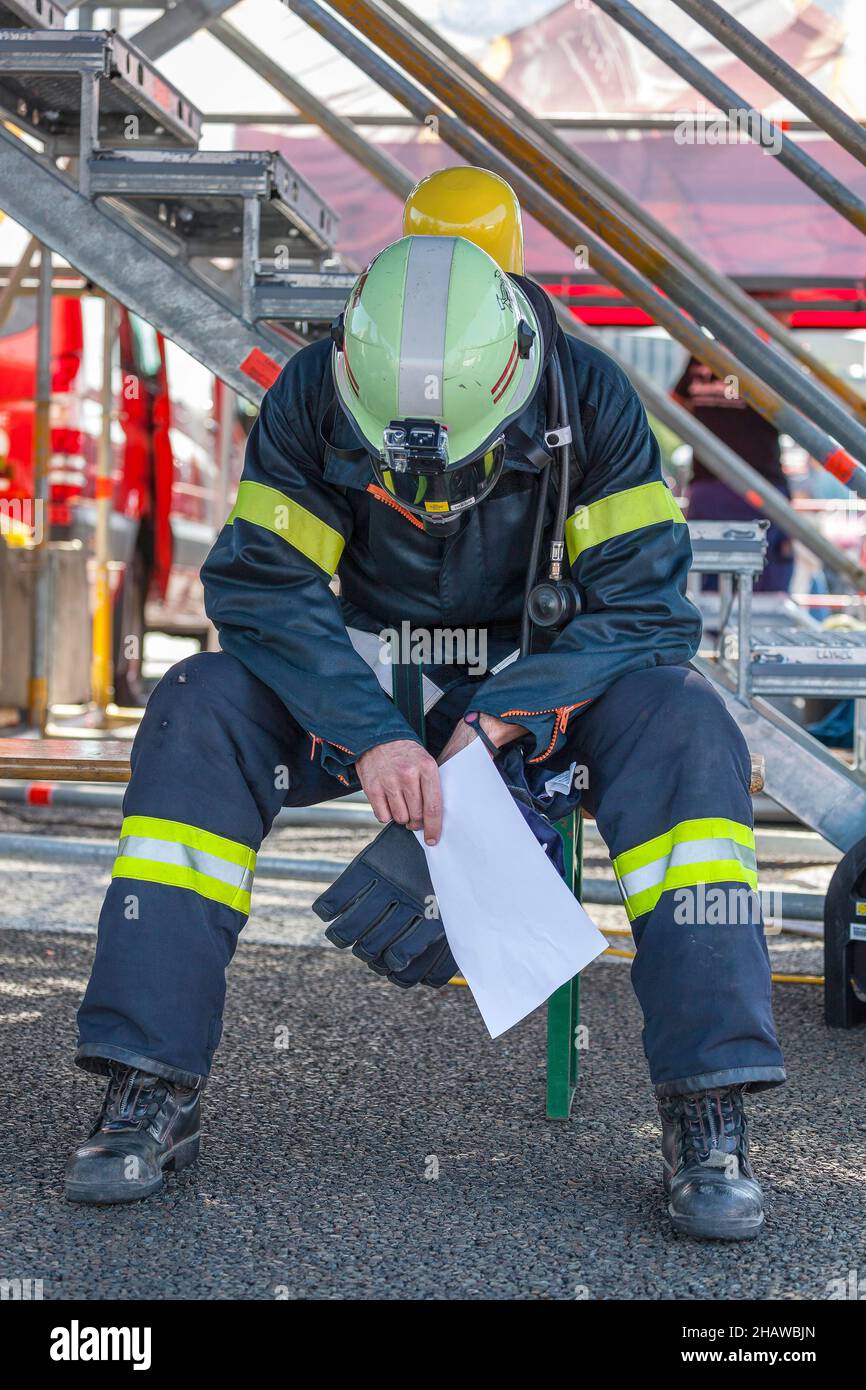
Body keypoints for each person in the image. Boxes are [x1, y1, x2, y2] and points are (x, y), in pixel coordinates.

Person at [66, 168, 784, 1240]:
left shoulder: (589, 400)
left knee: (685, 728)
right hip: (363, 687)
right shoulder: (314, 391)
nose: (429, 498)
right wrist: (371, 734)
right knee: (197, 706)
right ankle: (146, 1089)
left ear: (511, 380)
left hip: (537, 693)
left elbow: (640, 610)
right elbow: (261, 587)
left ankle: (706, 1111)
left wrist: (500, 720)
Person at [672, 354, 794, 591]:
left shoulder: (701, 354)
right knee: (763, 594)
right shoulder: (765, 357)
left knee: (704, 589)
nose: (789, 317)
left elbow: (675, 400)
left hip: (709, 484)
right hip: (759, 489)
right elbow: (800, 411)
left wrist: (708, 430)